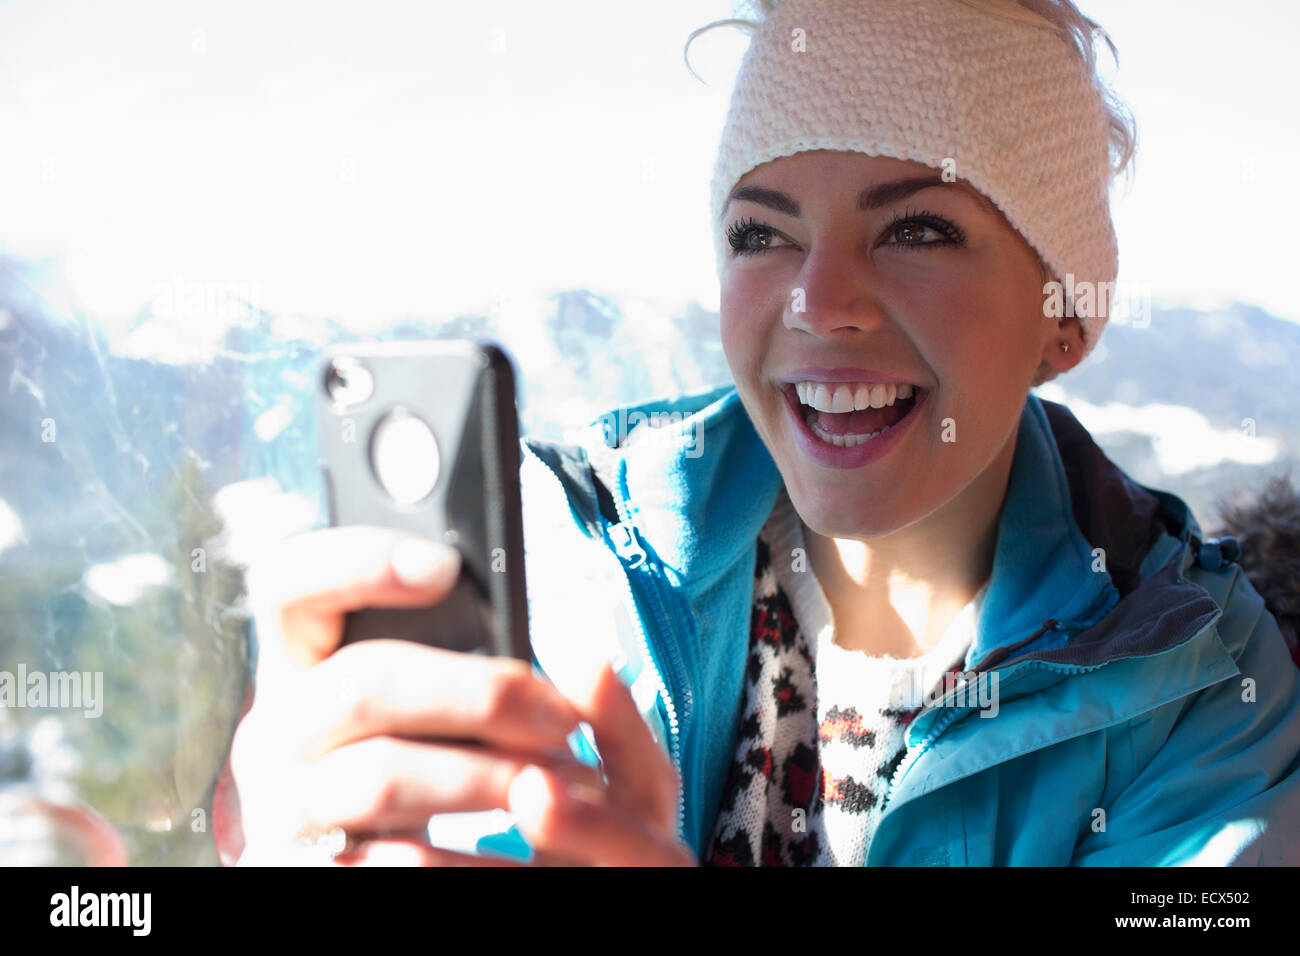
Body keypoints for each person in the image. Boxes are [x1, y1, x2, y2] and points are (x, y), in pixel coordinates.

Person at [219, 0, 1300, 866]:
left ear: (1062, 315)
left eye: (916, 227)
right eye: (760, 233)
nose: (816, 300)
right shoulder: (563, 575)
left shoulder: (1196, 678)